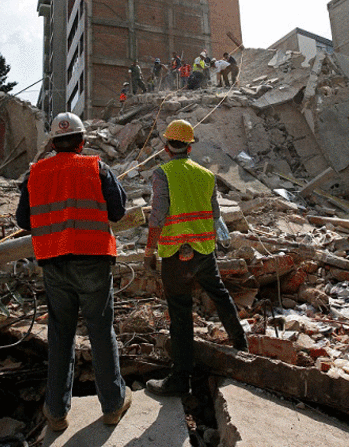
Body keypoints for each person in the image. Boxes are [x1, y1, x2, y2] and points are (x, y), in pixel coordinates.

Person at [15, 112, 131, 431]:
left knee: (60, 335)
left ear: (52, 143)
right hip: (93, 260)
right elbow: (119, 212)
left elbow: (23, 220)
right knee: (100, 332)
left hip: (54, 263)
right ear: (82, 141)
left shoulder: (35, 174)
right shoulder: (97, 167)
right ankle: (112, 405)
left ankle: (55, 412)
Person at [143, 120, 248, 396]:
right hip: (204, 251)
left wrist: (149, 251)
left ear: (167, 147)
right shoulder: (206, 175)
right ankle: (241, 346)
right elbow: (215, 215)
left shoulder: (162, 174)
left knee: (180, 312)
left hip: (176, 254)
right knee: (219, 293)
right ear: (190, 146)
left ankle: (180, 378)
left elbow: (157, 216)